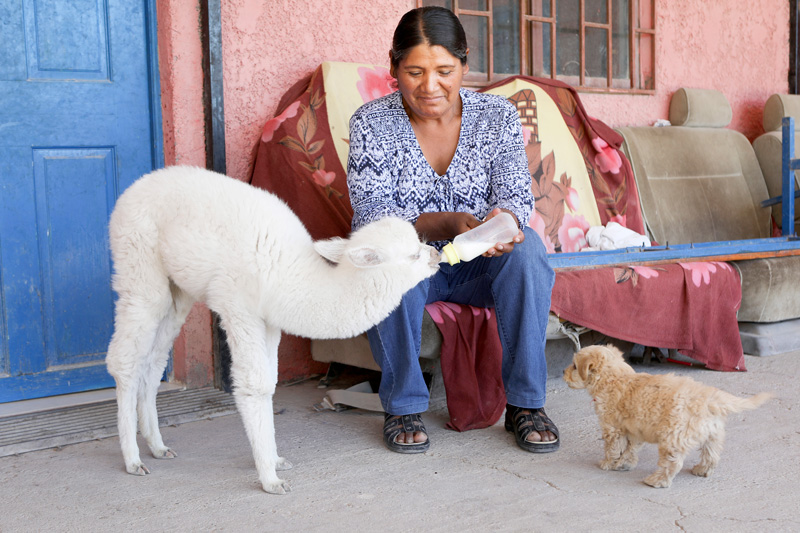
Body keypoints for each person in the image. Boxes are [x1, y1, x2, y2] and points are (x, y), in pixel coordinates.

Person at [346, 6, 557, 454]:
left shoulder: (496, 116)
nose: (430, 86)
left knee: (529, 252)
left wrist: (504, 228)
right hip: (414, 265)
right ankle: (402, 406)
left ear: (465, 63)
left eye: (444, 70)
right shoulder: (371, 124)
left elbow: (517, 198)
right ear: (393, 67)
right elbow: (373, 221)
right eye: (414, 71)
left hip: (479, 265)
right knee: (392, 258)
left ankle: (525, 404)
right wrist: (444, 224)